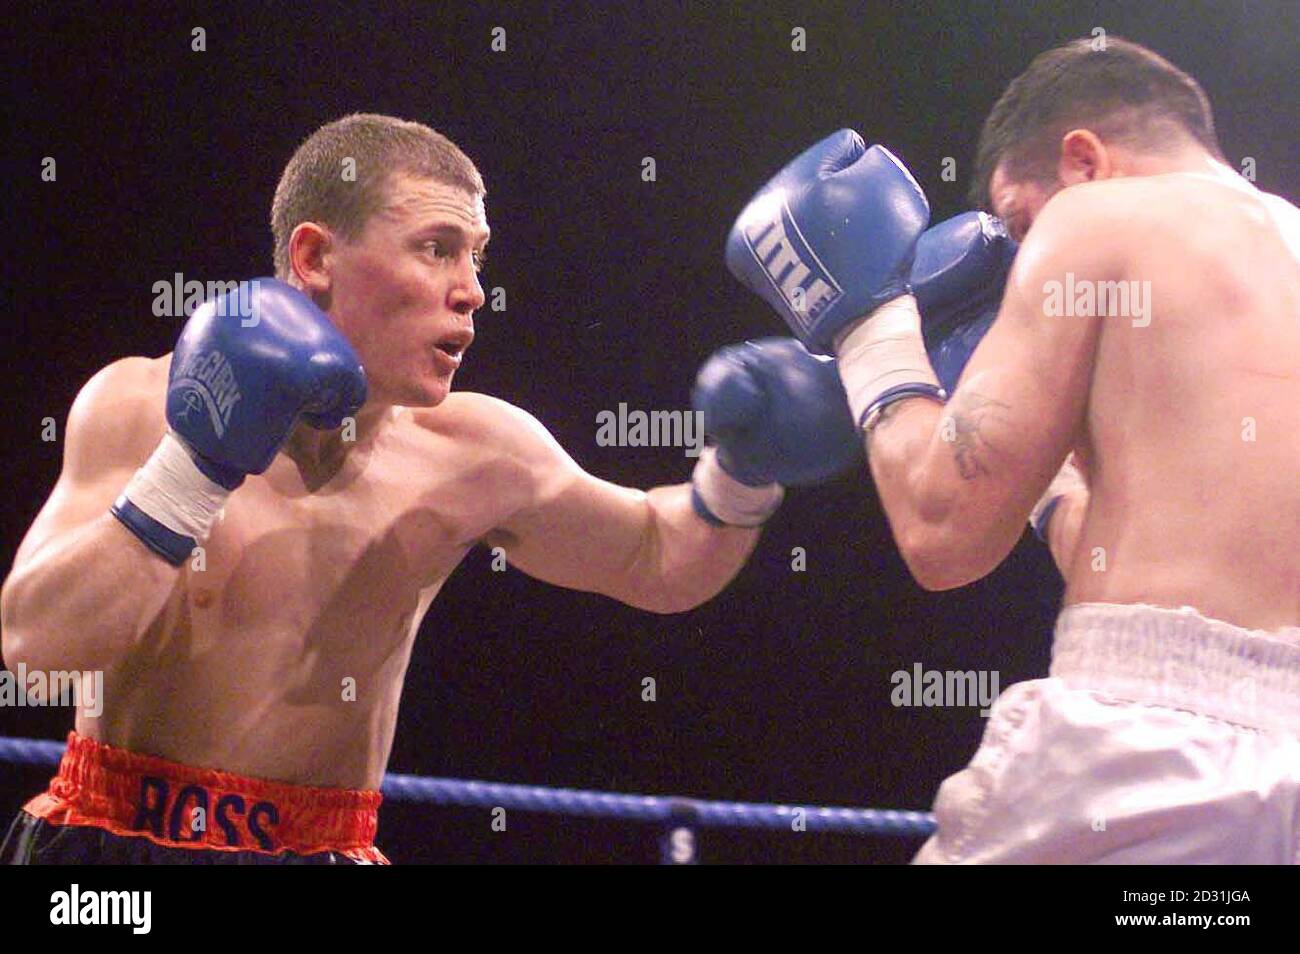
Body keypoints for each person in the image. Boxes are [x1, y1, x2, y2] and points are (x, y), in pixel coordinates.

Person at [0, 113, 860, 864]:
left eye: (478, 257)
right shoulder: (139, 407)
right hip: (110, 848)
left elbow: (657, 556)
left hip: (325, 849)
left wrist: (743, 472)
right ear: (314, 256)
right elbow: (35, 657)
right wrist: (194, 469)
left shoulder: (478, 451)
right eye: (437, 248)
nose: (472, 291)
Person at [726, 36, 1299, 862]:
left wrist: (868, 331)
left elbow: (943, 530)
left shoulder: (1095, 216)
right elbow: (1182, 560)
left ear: (1082, 159)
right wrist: (1043, 483)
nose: (1023, 255)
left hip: (1147, 760)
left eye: (1020, 223)